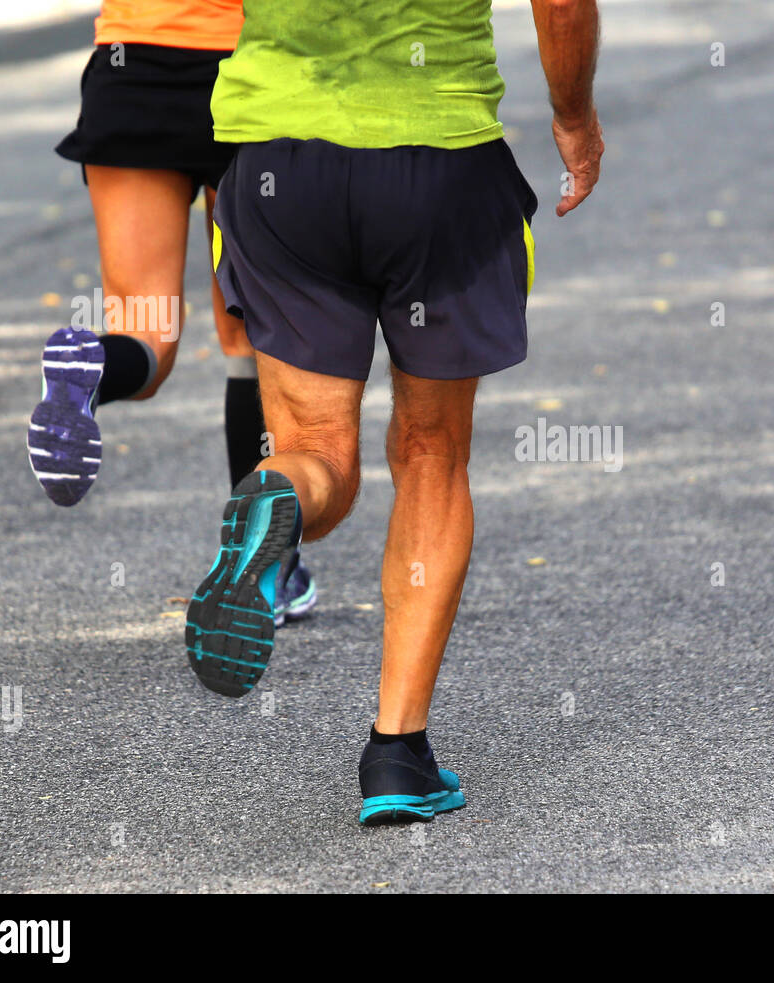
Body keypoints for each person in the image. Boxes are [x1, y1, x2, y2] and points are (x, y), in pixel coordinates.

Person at [187, 0, 603, 825]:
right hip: (439, 157)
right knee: (430, 452)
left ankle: (277, 498)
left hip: (281, 159)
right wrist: (574, 116)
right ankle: (397, 753)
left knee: (313, 448)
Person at [27, 0, 317, 626]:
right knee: (256, 344)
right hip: (253, 71)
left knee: (143, 332)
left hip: (131, 70)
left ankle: (89, 370)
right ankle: (261, 570)